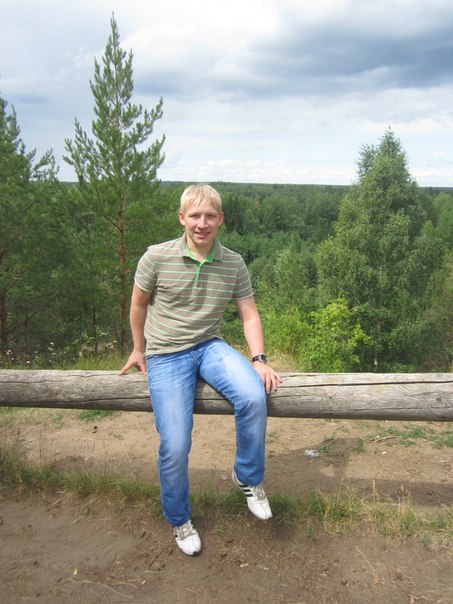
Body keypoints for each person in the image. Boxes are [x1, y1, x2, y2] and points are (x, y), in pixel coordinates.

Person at [119, 183, 282, 556]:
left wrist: (258, 359)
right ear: (182, 218)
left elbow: (249, 313)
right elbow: (138, 305)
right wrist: (139, 349)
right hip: (165, 354)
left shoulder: (233, 262)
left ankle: (247, 477)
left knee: (253, 396)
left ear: (220, 219)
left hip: (209, 346)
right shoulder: (156, 257)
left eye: (210, 216)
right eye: (195, 216)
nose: (202, 223)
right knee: (175, 444)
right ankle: (179, 519)